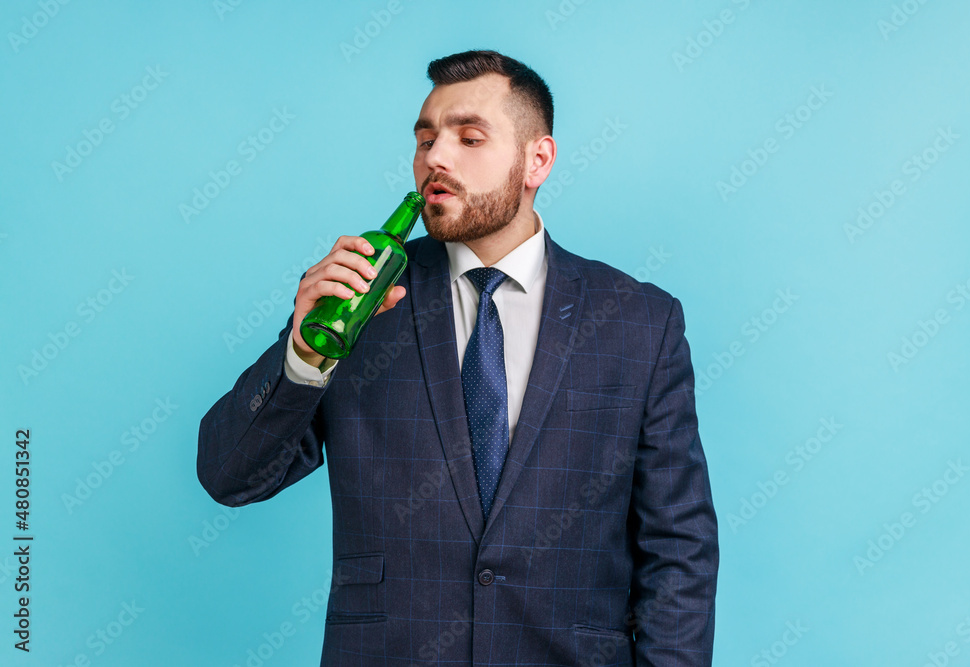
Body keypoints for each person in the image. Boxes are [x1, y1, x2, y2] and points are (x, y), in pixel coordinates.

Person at [198, 49, 718, 666]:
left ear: (537, 160)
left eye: (469, 138)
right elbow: (230, 477)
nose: (435, 159)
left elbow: (678, 546)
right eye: (425, 140)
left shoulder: (640, 322)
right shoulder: (361, 301)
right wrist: (303, 355)